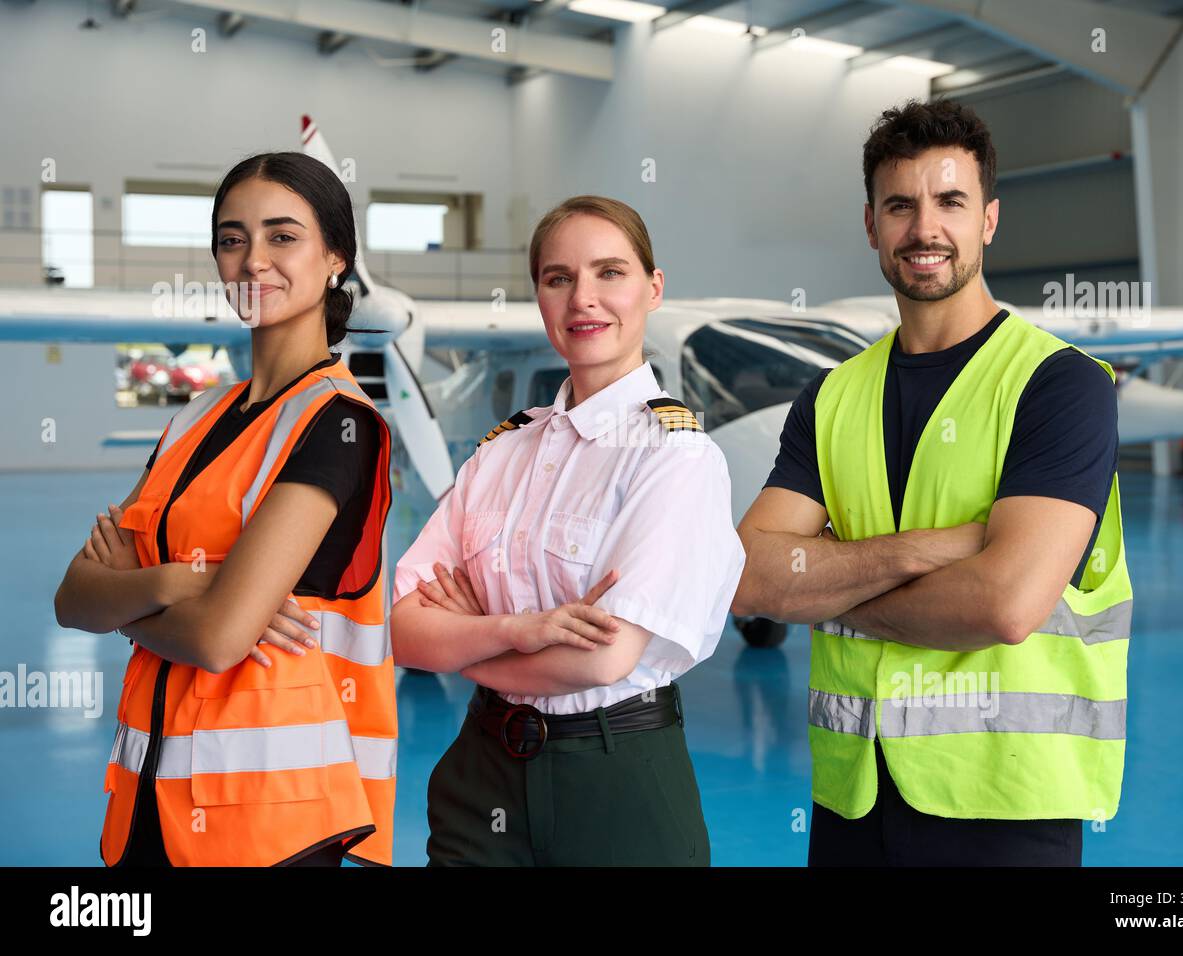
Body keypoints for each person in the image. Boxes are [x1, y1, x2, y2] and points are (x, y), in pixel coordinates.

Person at [731, 99, 1131, 866]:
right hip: (853, 798)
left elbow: (1006, 603)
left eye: (951, 201)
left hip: (1006, 804)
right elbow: (750, 579)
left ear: (988, 219)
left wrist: (830, 586)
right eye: (900, 205)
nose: (925, 229)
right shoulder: (832, 396)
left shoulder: (1058, 385)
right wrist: (926, 550)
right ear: (872, 224)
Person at [53, 152, 397, 867]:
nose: (251, 261)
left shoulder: (337, 422)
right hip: (149, 805)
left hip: (267, 826)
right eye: (232, 238)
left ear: (336, 256)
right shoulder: (196, 418)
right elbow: (72, 599)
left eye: (282, 236)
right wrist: (183, 583)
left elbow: (217, 640)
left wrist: (136, 601)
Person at [391, 195, 744, 866]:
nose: (584, 298)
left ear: (653, 288)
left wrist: (462, 645)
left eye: (610, 272)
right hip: (481, 775)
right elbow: (404, 630)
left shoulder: (676, 456)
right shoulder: (501, 452)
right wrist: (517, 630)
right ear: (541, 296)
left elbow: (600, 659)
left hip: (617, 776)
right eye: (559, 278)